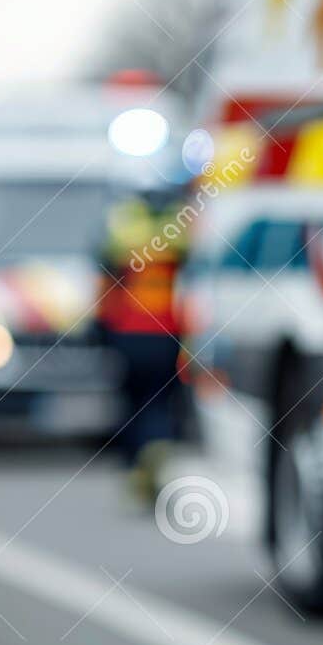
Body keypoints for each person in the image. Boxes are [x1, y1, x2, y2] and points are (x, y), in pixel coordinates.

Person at [98, 187, 187, 503]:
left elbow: (106, 286)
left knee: (133, 404)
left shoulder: (123, 229)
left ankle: (138, 471)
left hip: (129, 333)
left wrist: (102, 330)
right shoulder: (181, 231)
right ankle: (156, 456)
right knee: (160, 403)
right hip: (167, 334)